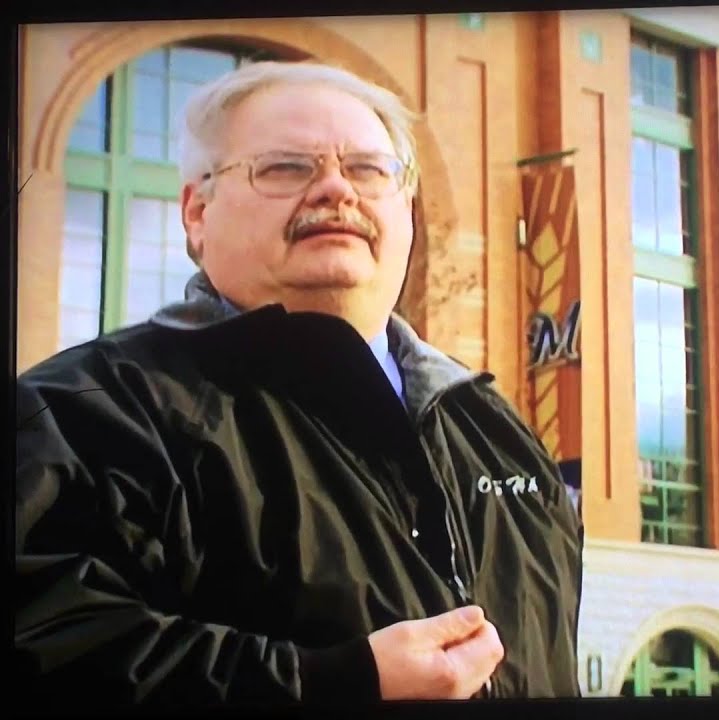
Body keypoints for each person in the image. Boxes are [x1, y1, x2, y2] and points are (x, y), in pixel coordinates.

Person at [14, 59, 584, 709]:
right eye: (286, 167)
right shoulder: (77, 415)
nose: (336, 190)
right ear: (197, 213)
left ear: (407, 211)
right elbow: (45, 654)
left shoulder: (501, 434)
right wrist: (336, 683)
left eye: (368, 169)